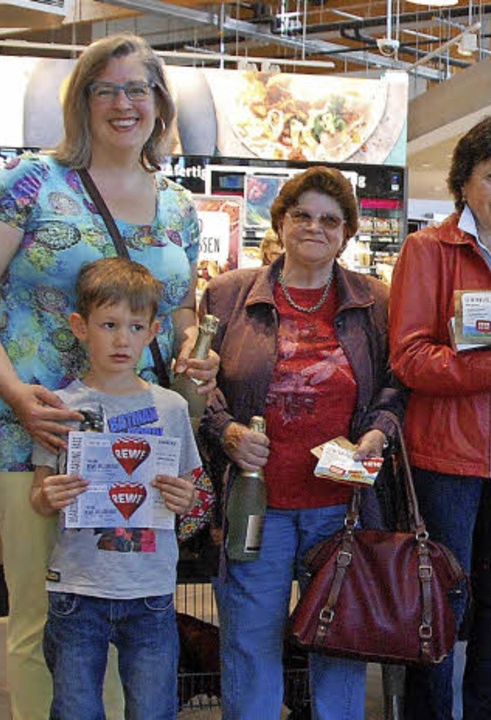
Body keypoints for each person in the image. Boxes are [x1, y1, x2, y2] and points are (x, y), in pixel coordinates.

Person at [0, 33, 213, 720]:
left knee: (130, 609)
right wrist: (14, 394)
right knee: (45, 615)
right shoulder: (31, 183)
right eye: (106, 89)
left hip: (137, 440)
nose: (124, 104)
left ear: (160, 103)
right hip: (37, 431)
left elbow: (179, 307)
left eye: (138, 89)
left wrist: (192, 346)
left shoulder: (178, 205)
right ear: (82, 101)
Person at [199, 166, 404, 720]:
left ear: (347, 233)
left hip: (342, 505)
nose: (316, 228)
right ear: (281, 222)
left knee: (339, 644)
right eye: (303, 216)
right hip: (255, 504)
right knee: (250, 644)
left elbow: (397, 383)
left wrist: (377, 431)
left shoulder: (376, 302)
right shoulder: (227, 296)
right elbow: (198, 382)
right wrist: (225, 429)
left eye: (330, 220)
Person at [389, 115, 491, 719]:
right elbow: (409, 358)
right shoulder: (428, 250)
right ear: (464, 183)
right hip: (448, 457)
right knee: (442, 600)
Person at [26, 258, 202, 719]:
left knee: (153, 708)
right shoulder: (59, 408)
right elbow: (39, 496)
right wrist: (49, 496)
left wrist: (184, 499)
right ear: (80, 327)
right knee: (75, 708)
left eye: (135, 327)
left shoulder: (171, 407)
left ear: (154, 332)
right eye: (109, 325)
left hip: (150, 588)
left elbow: (189, 491)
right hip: (77, 586)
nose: (122, 339)